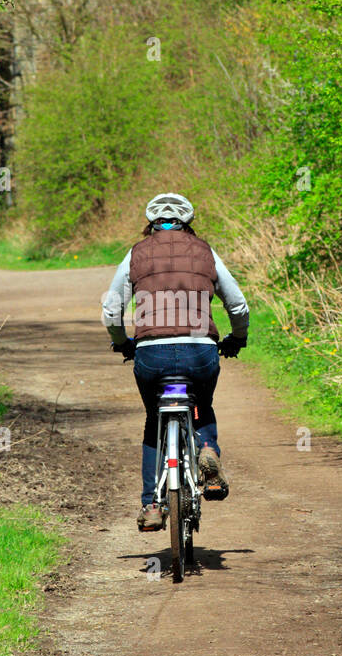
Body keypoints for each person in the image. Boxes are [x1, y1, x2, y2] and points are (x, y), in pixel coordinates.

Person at [101, 192, 250, 530]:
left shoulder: (136, 254)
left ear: (150, 224)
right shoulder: (205, 251)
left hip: (151, 353)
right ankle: (208, 451)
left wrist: (123, 343)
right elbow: (238, 305)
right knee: (202, 405)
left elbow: (112, 310)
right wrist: (237, 338)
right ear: (189, 223)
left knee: (155, 419)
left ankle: (152, 504)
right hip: (200, 351)